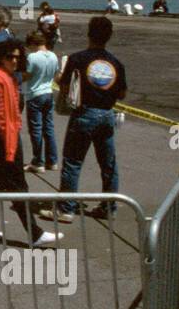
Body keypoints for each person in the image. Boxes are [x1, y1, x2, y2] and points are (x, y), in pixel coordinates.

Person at [0, 39, 62, 248]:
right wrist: (9, 146)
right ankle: (35, 233)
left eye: (17, 57)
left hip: (1, 140)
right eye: (9, 57)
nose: (14, 60)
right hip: (3, 142)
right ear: (0, 58)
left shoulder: (5, 77)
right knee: (17, 186)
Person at [48, 17, 127, 222]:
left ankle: (66, 208)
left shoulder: (77, 59)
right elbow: (122, 94)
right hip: (107, 114)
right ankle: (109, 206)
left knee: (73, 162)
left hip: (84, 114)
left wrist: (59, 78)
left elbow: (64, 87)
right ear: (109, 36)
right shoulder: (116, 63)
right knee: (108, 163)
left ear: (89, 33)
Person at [23, 31, 59, 173]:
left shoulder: (32, 57)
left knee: (36, 129)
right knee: (48, 128)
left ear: (33, 43)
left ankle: (38, 161)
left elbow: (27, 75)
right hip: (48, 92)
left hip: (34, 94)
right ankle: (52, 160)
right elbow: (56, 74)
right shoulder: (53, 55)